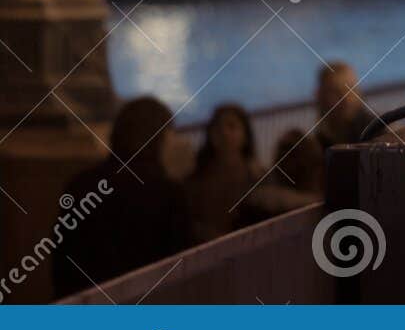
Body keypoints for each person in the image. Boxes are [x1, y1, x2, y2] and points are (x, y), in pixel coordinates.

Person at [54, 96, 191, 297]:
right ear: (159, 138)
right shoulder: (168, 192)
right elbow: (180, 266)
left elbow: (62, 262)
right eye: (171, 133)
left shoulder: (79, 184)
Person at [186, 104, 320, 243]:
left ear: (245, 134)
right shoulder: (198, 179)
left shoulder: (257, 176)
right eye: (218, 127)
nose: (224, 133)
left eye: (231, 126)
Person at [314, 61, 378, 147]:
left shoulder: (378, 130)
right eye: (336, 92)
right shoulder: (318, 142)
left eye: (351, 89)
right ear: (320, 95)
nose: (346, 98)